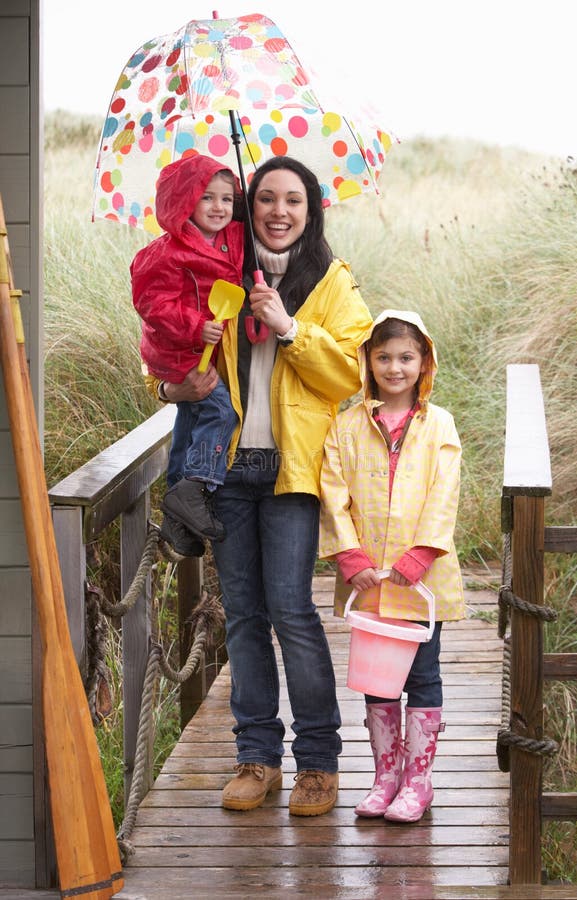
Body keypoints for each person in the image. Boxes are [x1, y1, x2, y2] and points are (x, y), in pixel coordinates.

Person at [152, 156, 373, 817]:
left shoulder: (333, 284)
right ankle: (256, 758)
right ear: (251, 210)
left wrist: (288, 327)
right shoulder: (216, 273)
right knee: (244, 618)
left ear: (311, 212)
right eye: (267, 199)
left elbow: (349, 377)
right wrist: (168, 386)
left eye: (293, 201)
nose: (279, 211)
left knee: (292, 614)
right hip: (226, 471)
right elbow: (166, 348)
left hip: (291, 472)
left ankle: (318, 764)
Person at [318, 309, 465, 822]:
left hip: (421, 580)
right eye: (383, 357)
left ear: (424, 361)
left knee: (423, 674)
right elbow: (332, 492)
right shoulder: (347, 426)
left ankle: (417, 782)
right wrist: (349, 556)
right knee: (379, 677)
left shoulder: (438, 424)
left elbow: (444, 492)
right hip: (369, 579)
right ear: (368, 362)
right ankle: (385, 778)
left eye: (406, 357)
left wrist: (421, 554)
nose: (394, 367)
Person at [131, 154, 244, 556]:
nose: (219, 208)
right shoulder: (166, 252)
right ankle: (196, 486)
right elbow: (152, 303)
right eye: (206, 198)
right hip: (179, 350)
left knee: (192, 420)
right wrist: (196, 326)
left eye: (227, 199)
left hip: (207, 349)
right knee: (219, 411)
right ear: (184, 203)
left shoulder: (231, 237)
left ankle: (179, 523)